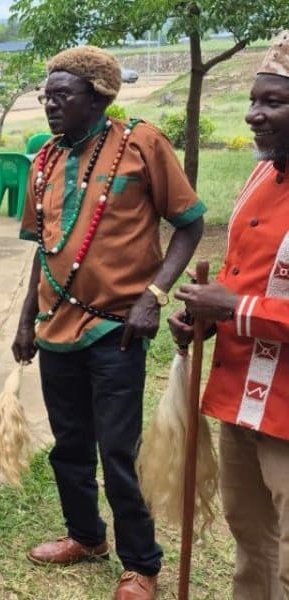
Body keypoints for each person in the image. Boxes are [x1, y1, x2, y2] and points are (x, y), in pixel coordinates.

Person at [10, 46, 205, 600]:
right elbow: (43, 251)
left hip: (115, 329)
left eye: (62, 95)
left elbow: (190, 225)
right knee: (69, 445)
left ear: (97, 97)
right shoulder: (44, 159)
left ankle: (141, 564)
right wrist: (26, 321)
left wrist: (156, 293)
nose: (50, 104)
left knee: (118, 449)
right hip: (55, 331)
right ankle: (85, 536)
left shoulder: (141, 143)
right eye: (46, 95)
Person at [169, 31, 289, 600]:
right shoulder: (265, 173)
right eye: (253, 100)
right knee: (252, 538)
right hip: (241, 394)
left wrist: (233, 307)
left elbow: (243, 299)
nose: (254, 115)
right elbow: (246, 275)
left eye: (273, 102)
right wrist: (209, 316)